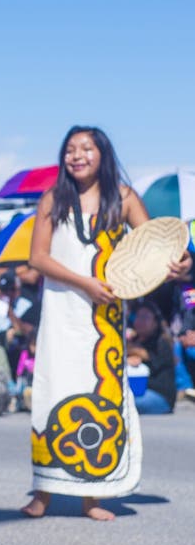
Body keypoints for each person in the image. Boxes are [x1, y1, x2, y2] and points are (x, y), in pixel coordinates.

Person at [21, 125, 191, 521]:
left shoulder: (124, 198)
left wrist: (179, 265)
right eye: (70, 149)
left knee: (101, 395)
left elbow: (155, 251)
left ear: (103, 154)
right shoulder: (52, 199)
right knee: (53, 393)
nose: (77, 155)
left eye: (86, 148)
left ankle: (93, 496)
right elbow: (38, 258)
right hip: (63, 313)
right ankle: (43, 492)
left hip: (105, 321)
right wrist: (84, 283)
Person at [127, 302, 176, 414]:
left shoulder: (162, 342)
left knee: (126, 404)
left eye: (145, 317)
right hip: (138, 391)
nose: (140, 321)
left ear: (155, 322)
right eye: (137, 316)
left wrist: (129, 351)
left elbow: (145, 355)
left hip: (160, 396)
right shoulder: (134, 341)